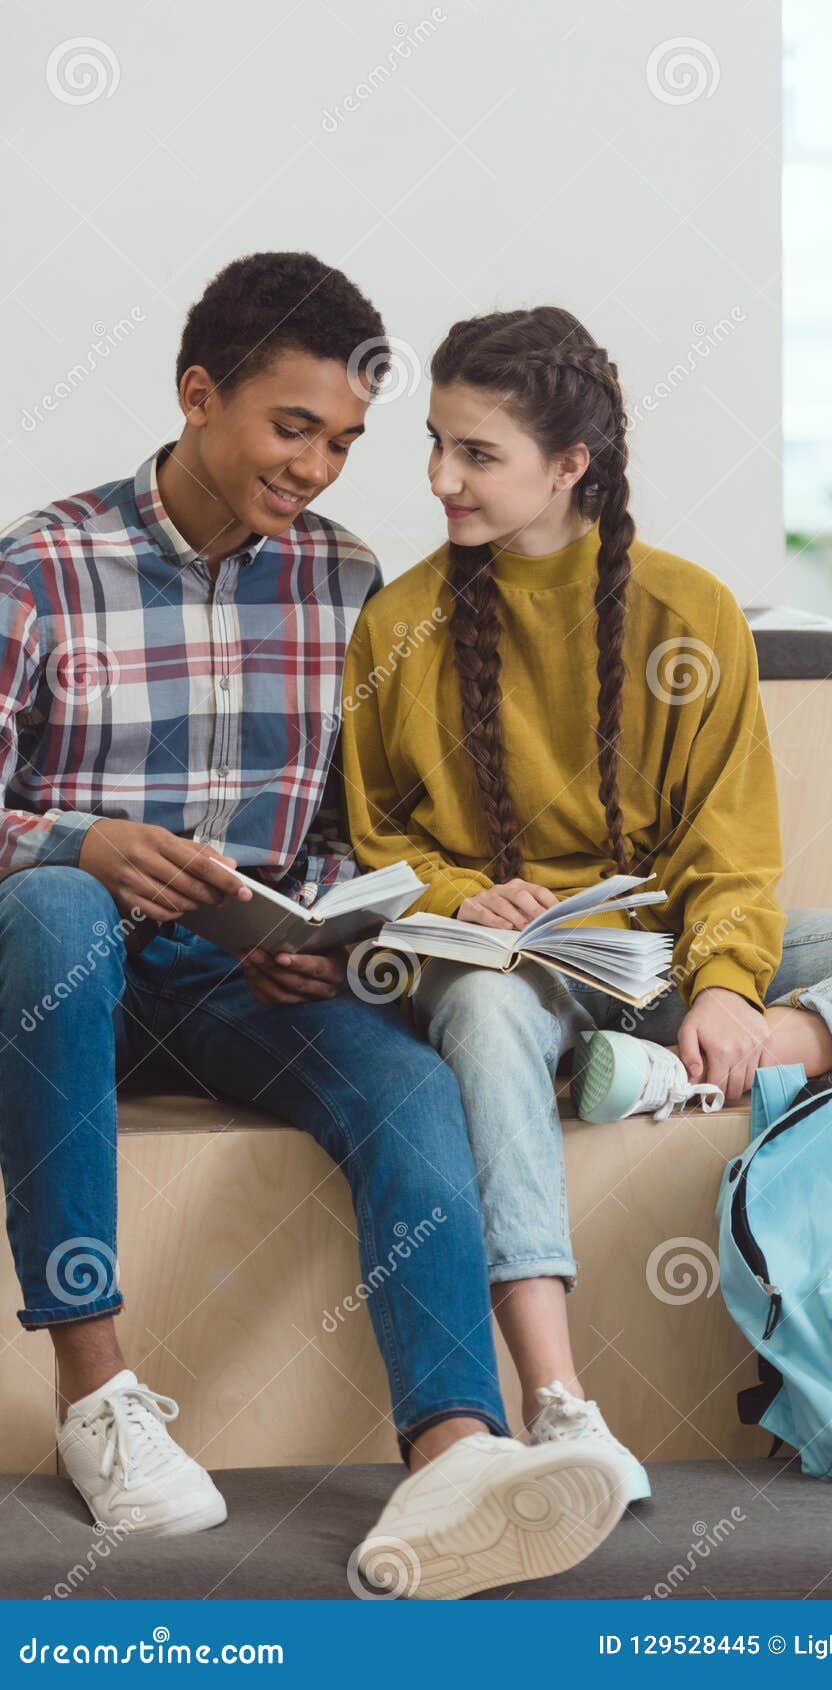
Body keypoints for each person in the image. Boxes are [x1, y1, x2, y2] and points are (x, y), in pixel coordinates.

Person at [0, 259, 632, 1599]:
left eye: (345, 440)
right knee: (57, 908)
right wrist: (77, 841)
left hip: (237, 975)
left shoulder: (348, 585)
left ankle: (457, 1447)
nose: (321, 466)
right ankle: (96, 1390)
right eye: (295, 428)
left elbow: (355, 825)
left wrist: (331, 930)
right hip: (58, 973)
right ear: (198, 395)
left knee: (407, 1079)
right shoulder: (40, 567)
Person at [340, 304, 832, 1503]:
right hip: (512, 969)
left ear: (571, 468)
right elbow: (378, 838)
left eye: (478, 454)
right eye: (436, 444)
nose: (441, 478)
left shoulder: (690, 611)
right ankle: (559, 1403)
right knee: (486, 1018)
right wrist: (469, 893)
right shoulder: (400, 621)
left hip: (674, 964)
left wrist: (728, 989)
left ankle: (759, 1049)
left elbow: (732, 848)